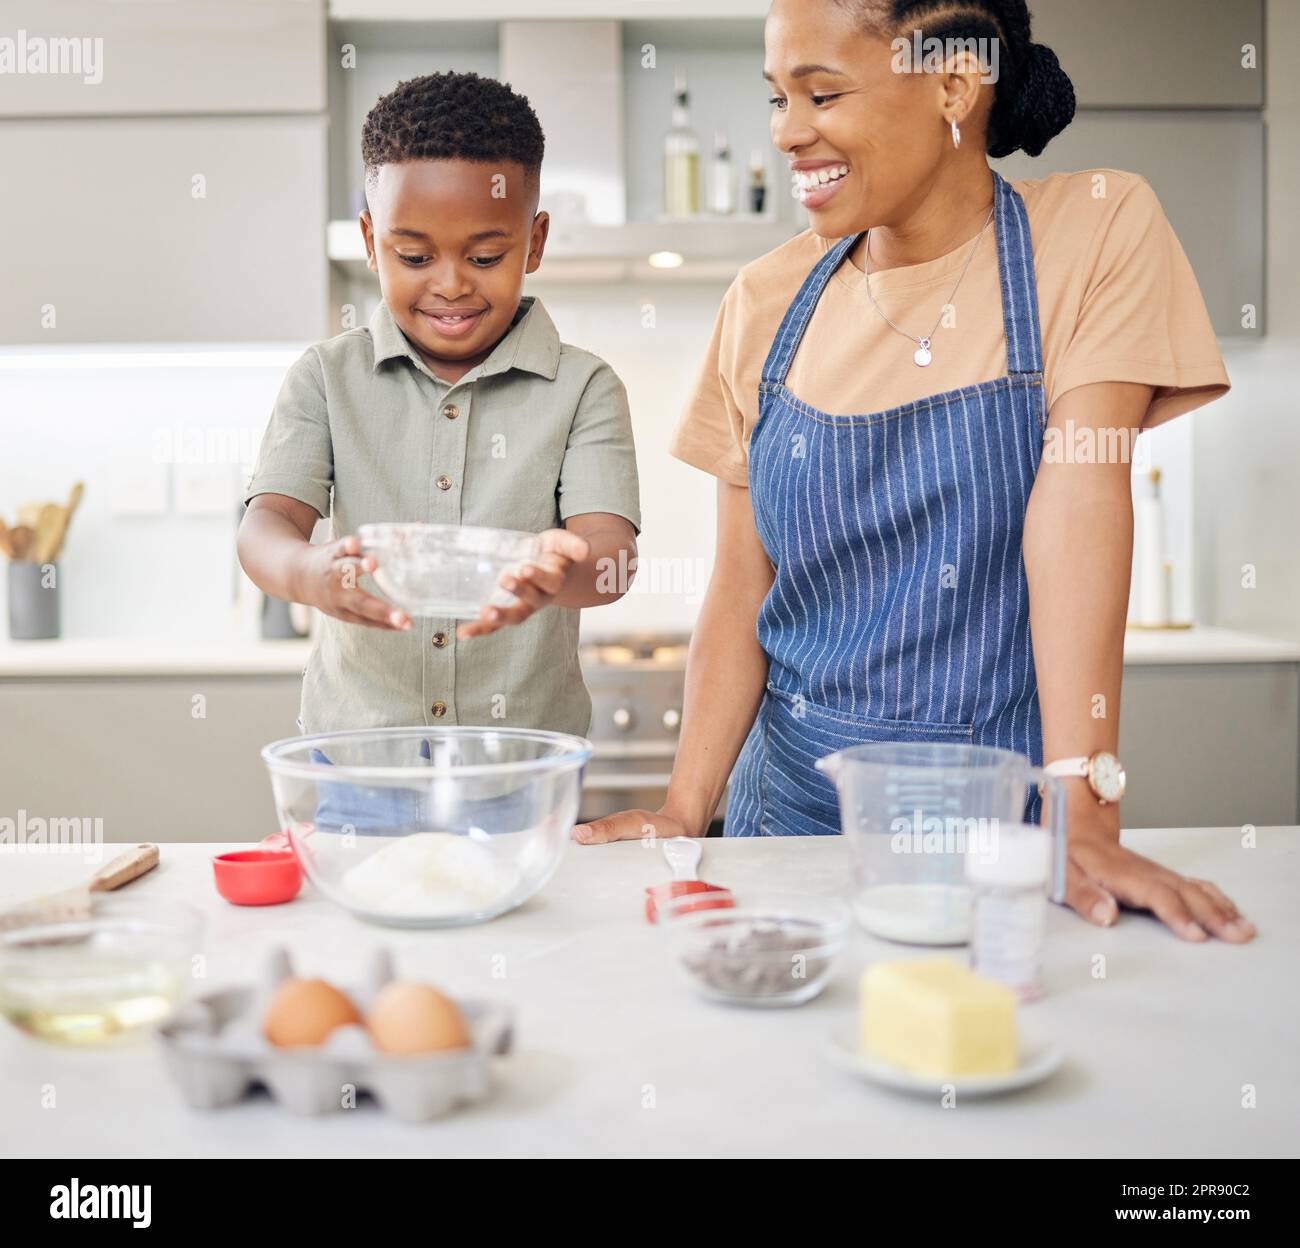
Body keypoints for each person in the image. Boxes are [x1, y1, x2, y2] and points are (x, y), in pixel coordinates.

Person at [574, 0, 1254, 945]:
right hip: (786, 839)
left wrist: (1083, 815)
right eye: (777, 98)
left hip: (1003, 844)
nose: (788, 131)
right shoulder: (765, 300)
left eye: (823, 93)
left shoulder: (1093, 232)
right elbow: (742, 585)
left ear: (952, 83)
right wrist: (686, 811)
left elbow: (1079, 502)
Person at [238, 71, 641, 740]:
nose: (450, 284)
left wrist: (556, 574)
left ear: (534, 243)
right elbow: (265, 527)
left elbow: (614, 558)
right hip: (356, 760)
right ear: (371, 242)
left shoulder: (585, 388)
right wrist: (310, 572)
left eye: (485, 256)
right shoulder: (325, 378)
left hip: (519, 765)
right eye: (414, 255)